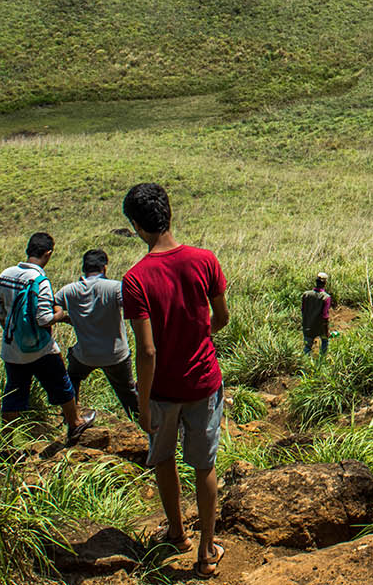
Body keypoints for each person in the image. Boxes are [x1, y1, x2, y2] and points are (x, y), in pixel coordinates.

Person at [121, 182, 230, 578]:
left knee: (163, 459)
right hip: (203, 381)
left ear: (135, 225)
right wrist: (202, 335)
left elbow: (147, 352)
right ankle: (206, 550)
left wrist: (143, 401)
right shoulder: (204, 260)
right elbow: (222, 318)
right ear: (169, 213)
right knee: (204, 465)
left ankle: (178, 534)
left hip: (163, 390)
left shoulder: (134, 279)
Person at [0, 232, 97, 442]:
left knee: (13, 393)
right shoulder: (39, 280)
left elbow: (0, 313)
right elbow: (43, 319)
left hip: (12, 348)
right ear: (48, 254)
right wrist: (59, 315)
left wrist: (15, 334)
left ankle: (6, 440)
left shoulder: (5, 275)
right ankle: (75, 423)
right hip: (40, 348)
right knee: (62, 383)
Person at [55, 249, 139, 418]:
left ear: (84, 268)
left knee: (72, 375)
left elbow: (52, 306)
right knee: (129, 393)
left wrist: (67, 318)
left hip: (85, 355)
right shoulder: (115, 288)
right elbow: (136, 307)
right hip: (116, 354)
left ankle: (70, 415)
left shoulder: (69, 290)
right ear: (104, 268)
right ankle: (144, 424)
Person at [300, 272, 333, 356]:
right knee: (324, 342)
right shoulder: (326, 297)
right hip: (320, 326)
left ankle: (305, 365)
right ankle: (322, 361)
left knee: (307, 347)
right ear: (325, 283)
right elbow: (324, 316)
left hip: (308, 324)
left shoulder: (306, 294)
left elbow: (303, 310)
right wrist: (326, 330)